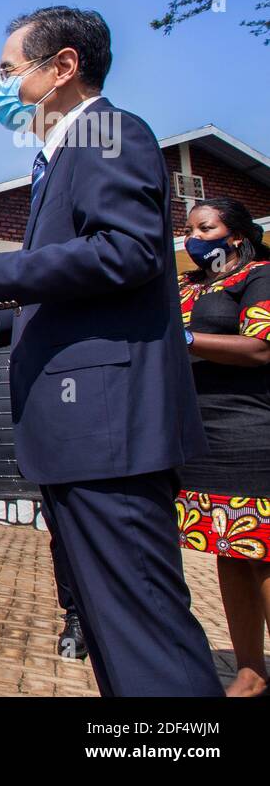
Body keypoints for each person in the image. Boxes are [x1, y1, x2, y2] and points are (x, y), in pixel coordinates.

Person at [0, 5, 221, 696]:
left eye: (8, 71)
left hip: (111, 434)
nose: (0, 88)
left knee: (146, 634)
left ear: (64, 67)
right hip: (82, 440)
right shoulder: (58, 161)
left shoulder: (108, 133)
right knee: (113, 631)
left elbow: (129, 252)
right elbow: (84, 286)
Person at [176, 197, 270, 696]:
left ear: (234, 234)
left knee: (265, 555)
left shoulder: (258, 275)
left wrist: (185, 339)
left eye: (204, 228)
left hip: (249, 431)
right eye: (188, 230)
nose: (193, 238)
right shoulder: (187, 287)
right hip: (200, 434)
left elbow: (260, 346)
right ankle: (251, 671)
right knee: (230, 551)